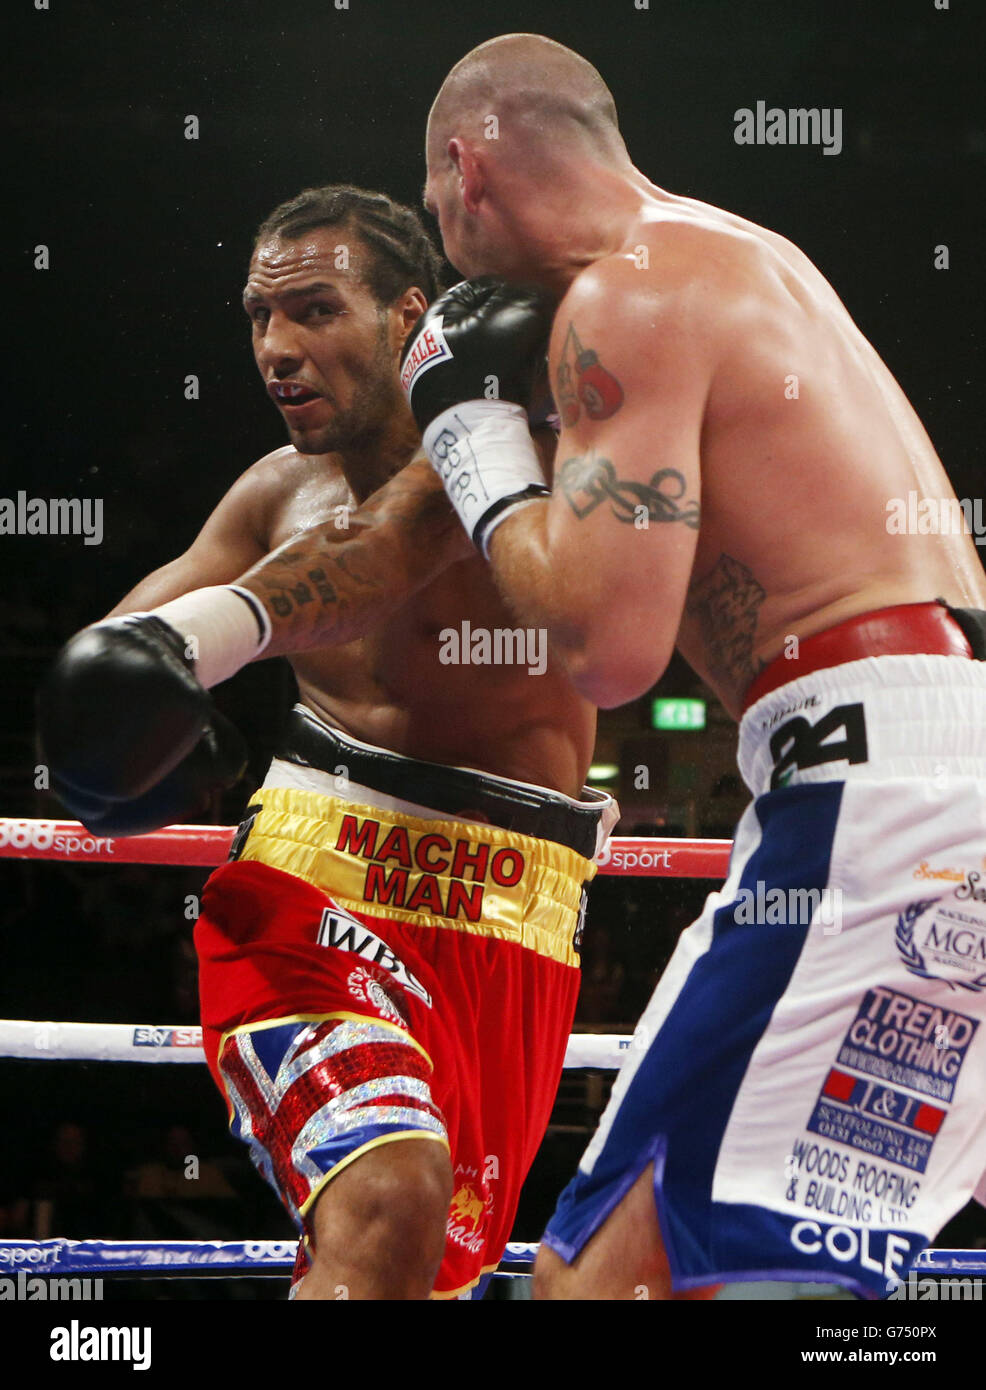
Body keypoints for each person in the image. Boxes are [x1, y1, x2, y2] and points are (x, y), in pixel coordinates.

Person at [404, 34, 986, 1299]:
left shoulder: (624, 298)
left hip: (879, 797)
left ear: (466, 167)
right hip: (930, 768)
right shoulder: (735, 251)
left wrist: (472, 445)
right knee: (770, 1262)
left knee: (605, 1279)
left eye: (429, 198)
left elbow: (606, 656)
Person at [37, 184, 615, 1300]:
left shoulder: (538, 460)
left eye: (311, 310)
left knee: (415, 1271)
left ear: (409, 317)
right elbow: (106, 667)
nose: (274, 348)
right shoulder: (271, 497)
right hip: (313, 898)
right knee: (391, 1198)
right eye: (258, 317)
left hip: (516, 924)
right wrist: (115, 742)